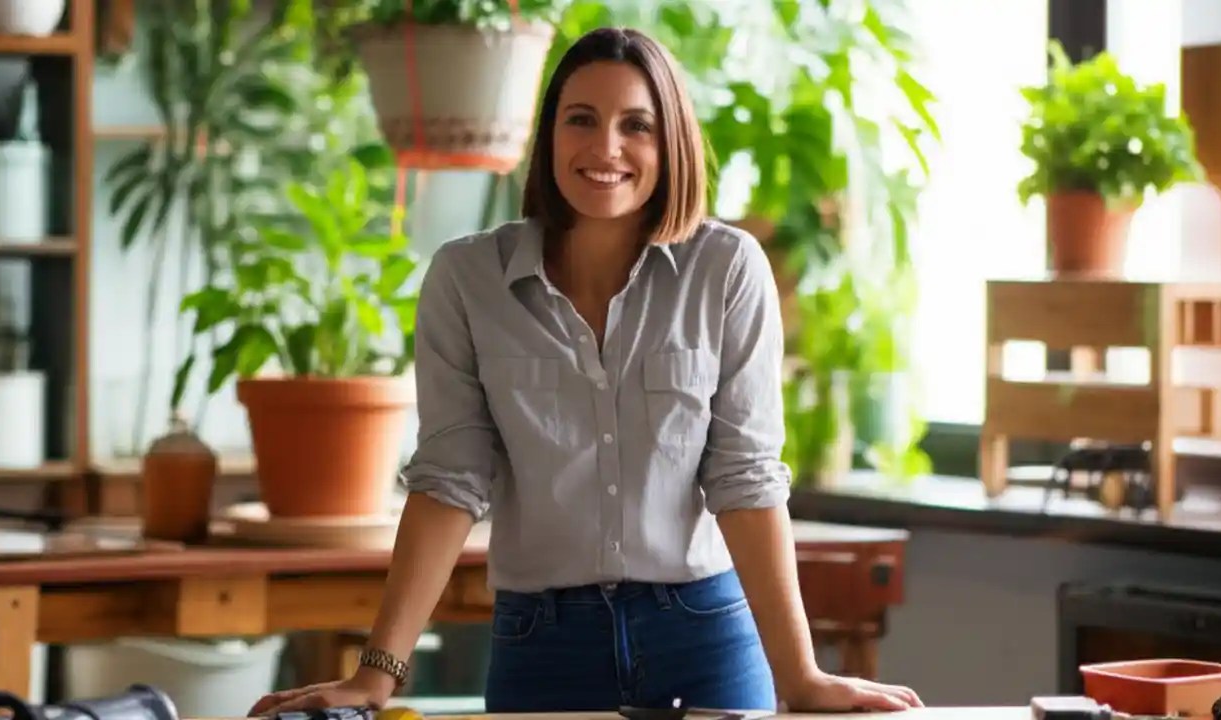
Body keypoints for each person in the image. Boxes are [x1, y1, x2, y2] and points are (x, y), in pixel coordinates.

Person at [249, 26, 923, 716]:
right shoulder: (467, 278)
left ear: (672, 146)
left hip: (704, 635)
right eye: (581, 120)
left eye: (638, 126)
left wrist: (801, 678)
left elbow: (744, 478)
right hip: (541, 643)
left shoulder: (726, 269)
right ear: (548, 137)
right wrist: (377, 673)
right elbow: (450, 478)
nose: (606, 148)